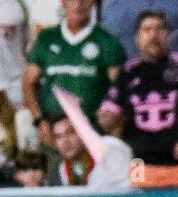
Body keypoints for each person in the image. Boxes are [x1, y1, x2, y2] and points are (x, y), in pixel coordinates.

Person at [98, 10, 178, 187]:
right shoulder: (127, 72)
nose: (153, 35)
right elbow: (108, 115)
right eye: (147, 30)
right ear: (137, 37)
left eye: (159, 29)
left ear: (169, 35)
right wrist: (107, 119)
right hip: (140, 167)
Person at [24, 0, 126, 144]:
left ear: (93, 3)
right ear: (63, 2)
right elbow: (28, 83)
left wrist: (112, 127)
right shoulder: (46, 38)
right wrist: (39, 120)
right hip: (55, 133)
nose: (78, 4)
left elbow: (119, 89)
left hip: (93, 133)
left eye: (84, 0)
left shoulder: (107, 41)